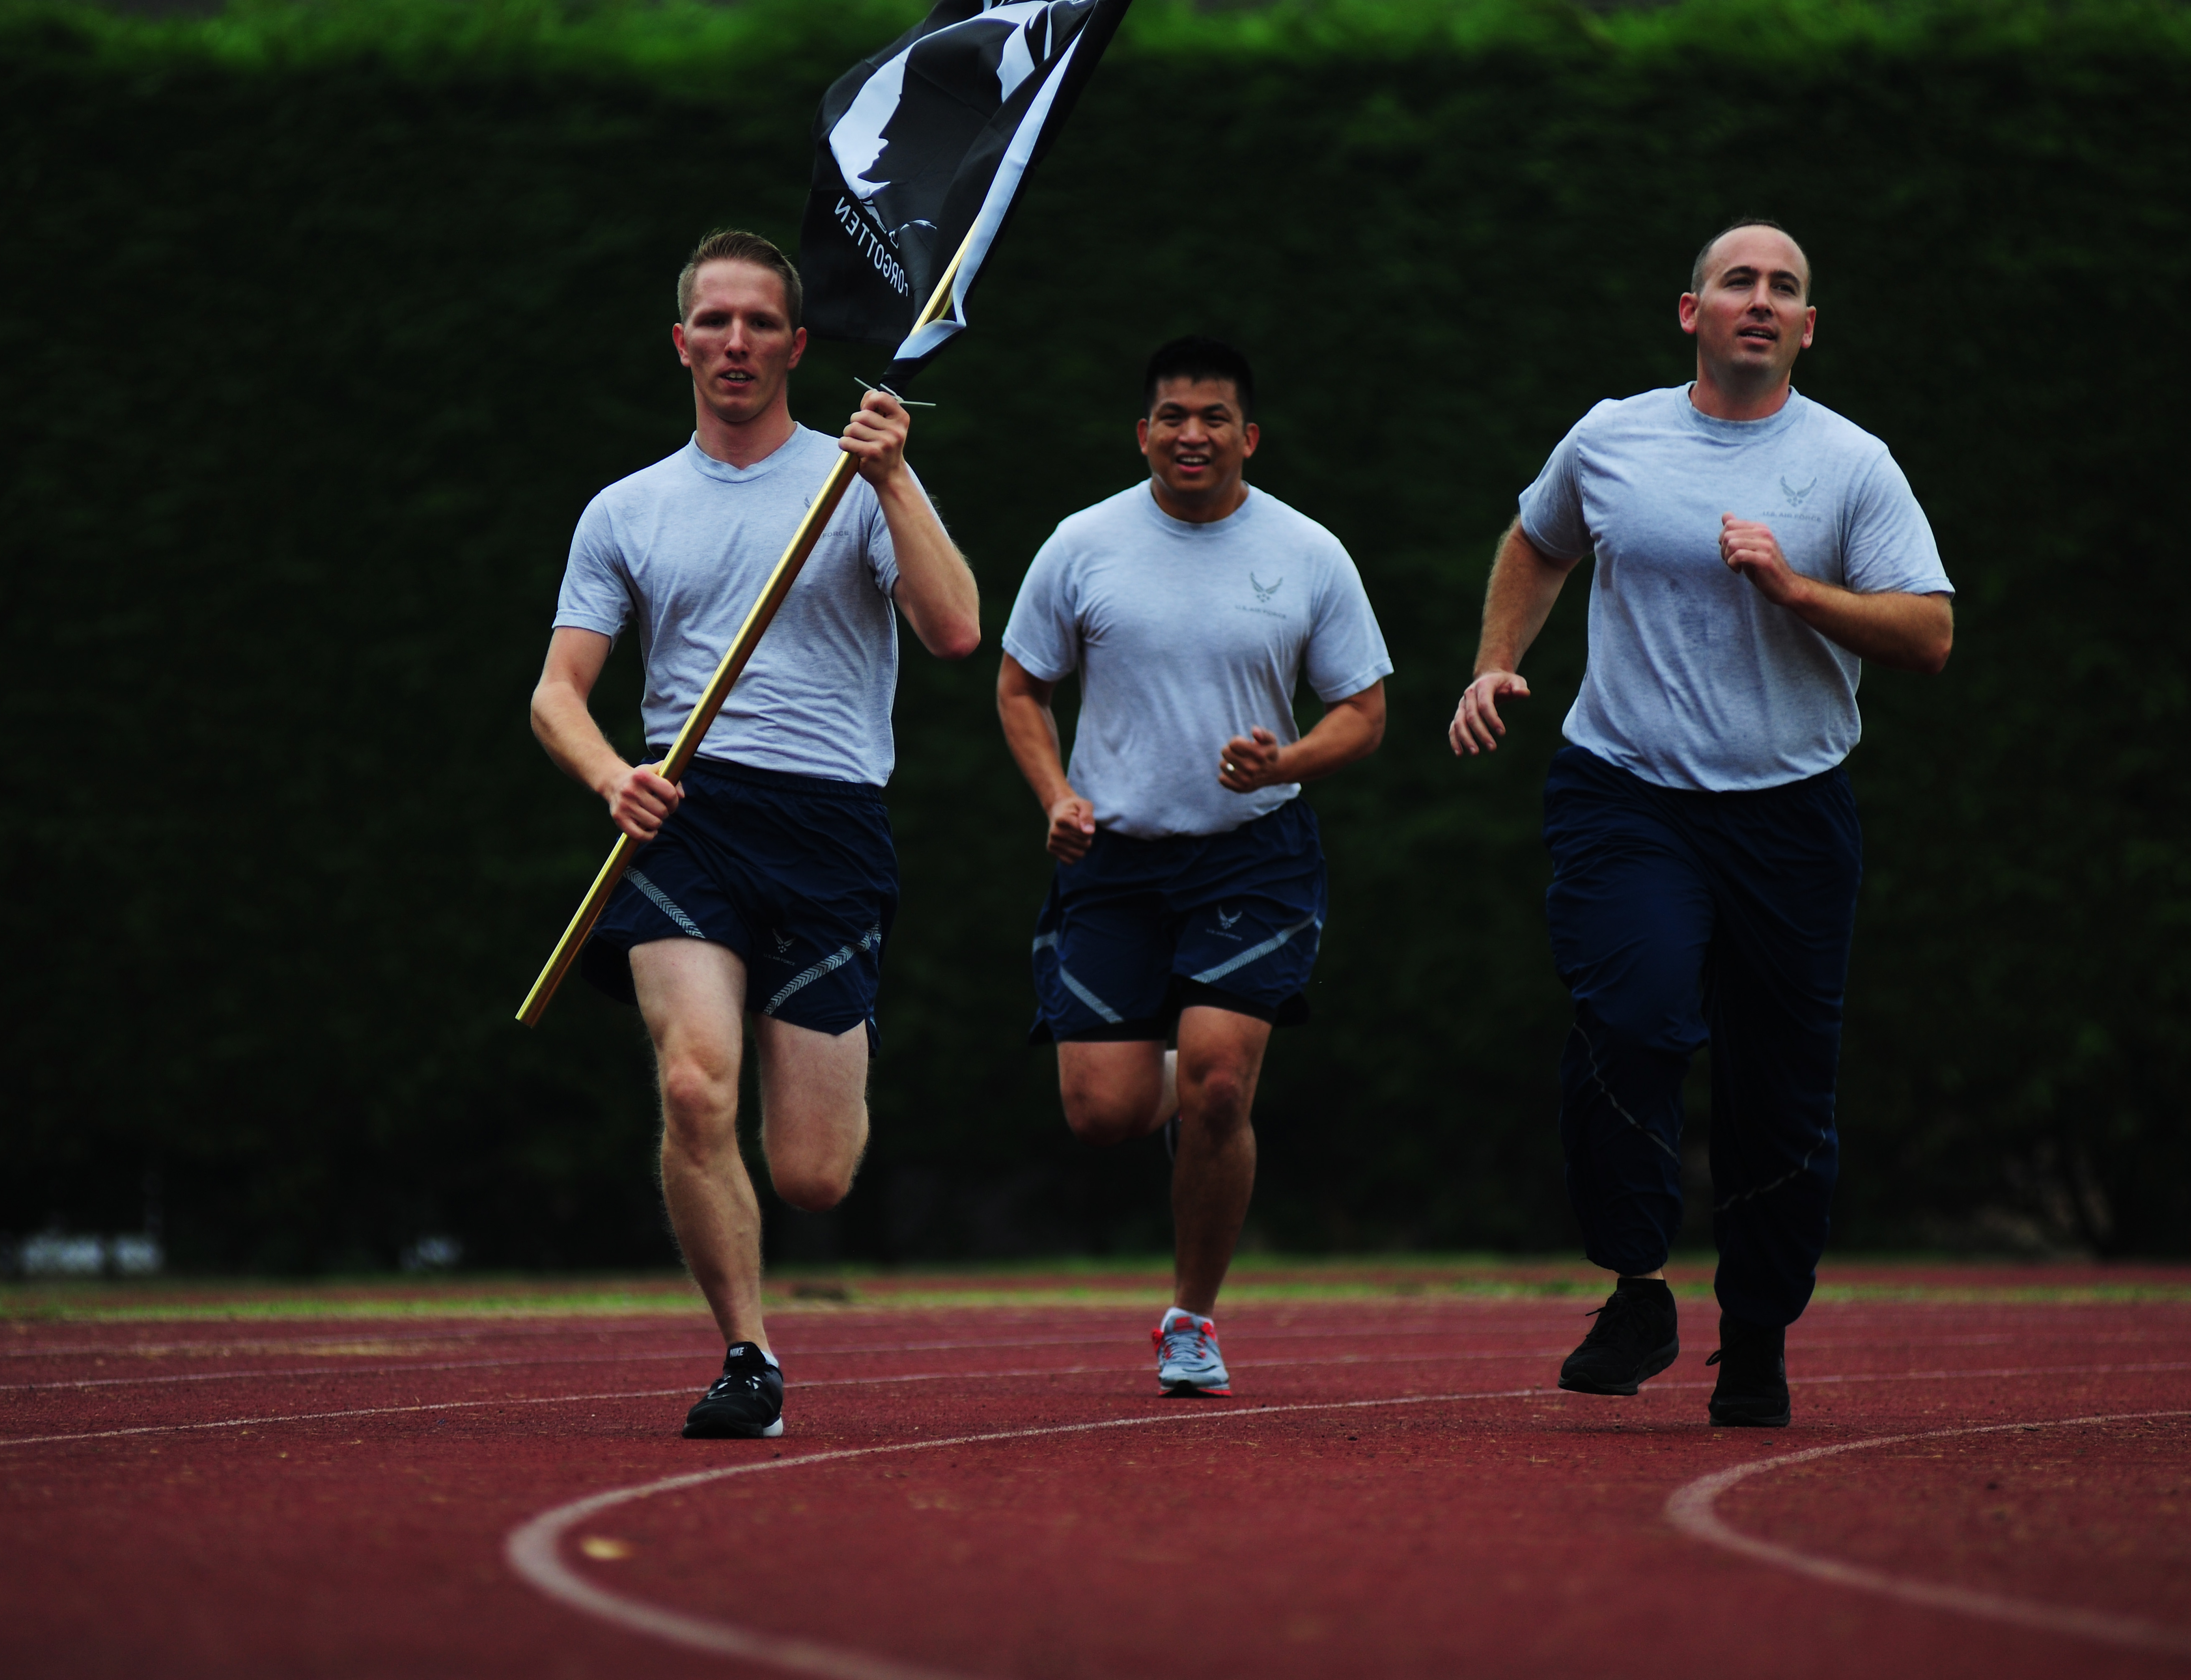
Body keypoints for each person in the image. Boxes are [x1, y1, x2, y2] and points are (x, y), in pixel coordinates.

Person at [1448, 219, 1953, 1426]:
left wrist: (1795, 590)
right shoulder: (1614, 436)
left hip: (1791, 812)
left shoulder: (1850, 465)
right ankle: (1636, 1285)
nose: (1762, 301)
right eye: (1740, 282)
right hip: (1625, 790)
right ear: (1694, 312)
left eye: (1786, 288)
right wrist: (1492, 663)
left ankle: (1760, 1337)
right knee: (1632, 1013)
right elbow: (1536, 539)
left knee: (1780, 1089)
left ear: (1809, 328)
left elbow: (1929, 634)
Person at [531, 230, 979, 1439]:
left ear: (796, 343)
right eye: (714, 323)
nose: (736, 342)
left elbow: (953, 631)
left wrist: (893, 477)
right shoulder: (627, 509)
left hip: (831, 826)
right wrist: (610, 775)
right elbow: (556, 695)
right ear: (681, 344)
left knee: (814, 1174)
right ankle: (747, 1355)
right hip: (688, 814)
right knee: (690, 1083)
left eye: (761, 323)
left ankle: (774, 1269)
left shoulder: (855, 477)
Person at [996, 336, 1391, 1397]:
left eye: (1214, 417)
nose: (1192, 434)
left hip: (1252, 859)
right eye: (1172, 416)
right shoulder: (1083, 545)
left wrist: (1288, 759)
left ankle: (1193, 1318)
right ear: (1143, 434)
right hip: (1113, 864)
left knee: (1220, 1081)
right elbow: (1021, 687)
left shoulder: (1308, 552)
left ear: (1248, 437)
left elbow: (1365, 714)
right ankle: (1179, 1075)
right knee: (1103, 1115)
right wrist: (1058, 800)